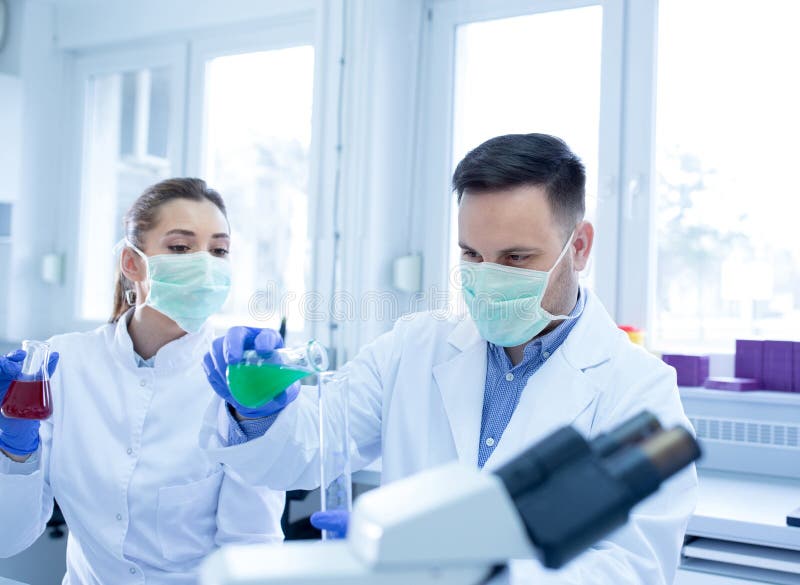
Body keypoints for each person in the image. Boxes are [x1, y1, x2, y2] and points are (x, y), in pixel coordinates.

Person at [201, 134, 698, 584]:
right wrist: (257, 412)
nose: (487, 275)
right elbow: (308, 453)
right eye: (471, 255)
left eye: (516, 258)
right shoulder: (414, 346)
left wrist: (470, 571)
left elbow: (634, 568)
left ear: (580, 246)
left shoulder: (638, 387)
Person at [0, 178, 285, 585]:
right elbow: (7, 537)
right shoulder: (63, 365)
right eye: (181, 248)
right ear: (133, 264)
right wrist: (15, 453)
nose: (206, 265)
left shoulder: (236, 380)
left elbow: (251, 551)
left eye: (219, 250)